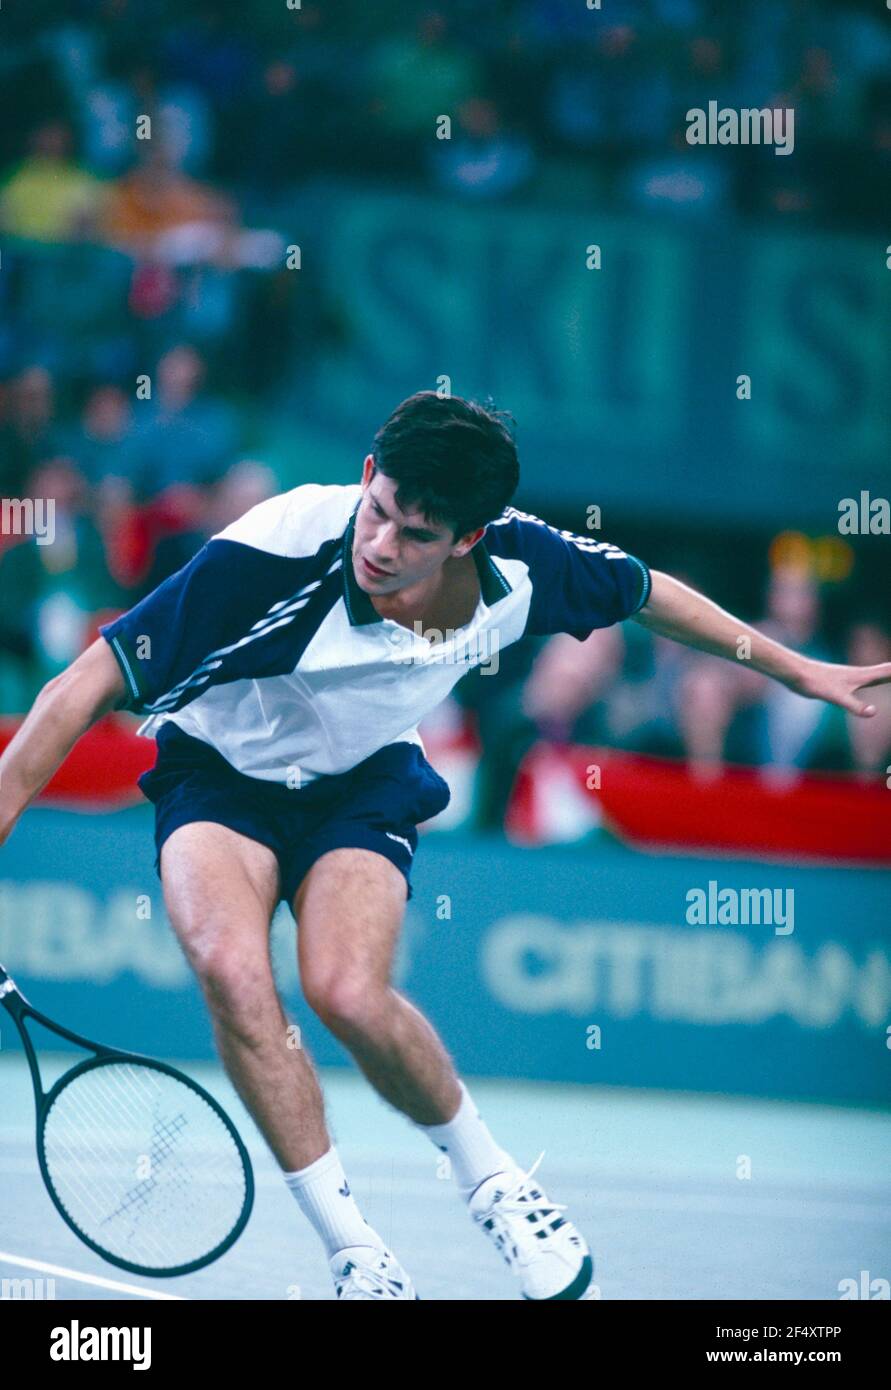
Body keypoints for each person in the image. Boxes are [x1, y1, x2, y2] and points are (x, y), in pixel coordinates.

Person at [1, 391, 889, 1301]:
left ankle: (497, 1185)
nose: (380, 544)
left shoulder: (524, 567)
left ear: (467, 538)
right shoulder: (268, 555)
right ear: (364, 479)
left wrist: (796, 668)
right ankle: (356, 1254)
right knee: (231, 972)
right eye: (377, 509)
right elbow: (83, 685)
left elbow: (647, 594)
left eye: (414, 534)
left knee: (345, 989)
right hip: (220, 772)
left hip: (363, 779)